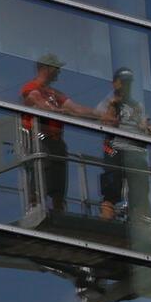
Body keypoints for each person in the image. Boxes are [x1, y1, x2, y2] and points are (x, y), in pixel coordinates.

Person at [18, 53, 99, 217]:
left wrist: (100, 115)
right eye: (56, 68)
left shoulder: (54, 93)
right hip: (39, 138)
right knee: (41, 172)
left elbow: (76, 108)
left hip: (55, 141)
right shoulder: (31, 88)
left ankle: (58, 209)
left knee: (59, 179)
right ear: (46, 68)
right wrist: (63, 112)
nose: (58, 72)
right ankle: (35, 207)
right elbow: (40, 105)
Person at [97, 67, 151, 221]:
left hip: (134, 150)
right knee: (111, 187)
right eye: (123, 83)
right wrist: (113, 105)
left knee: (139, 190)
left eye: (128, 83)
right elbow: (105, 122)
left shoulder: (137, 105)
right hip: (115, 147)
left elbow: (143, 125)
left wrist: (149, 128)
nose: (126, 86)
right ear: (115, 83)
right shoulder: (108, 101)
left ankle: (138, 223)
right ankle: (106, 220)